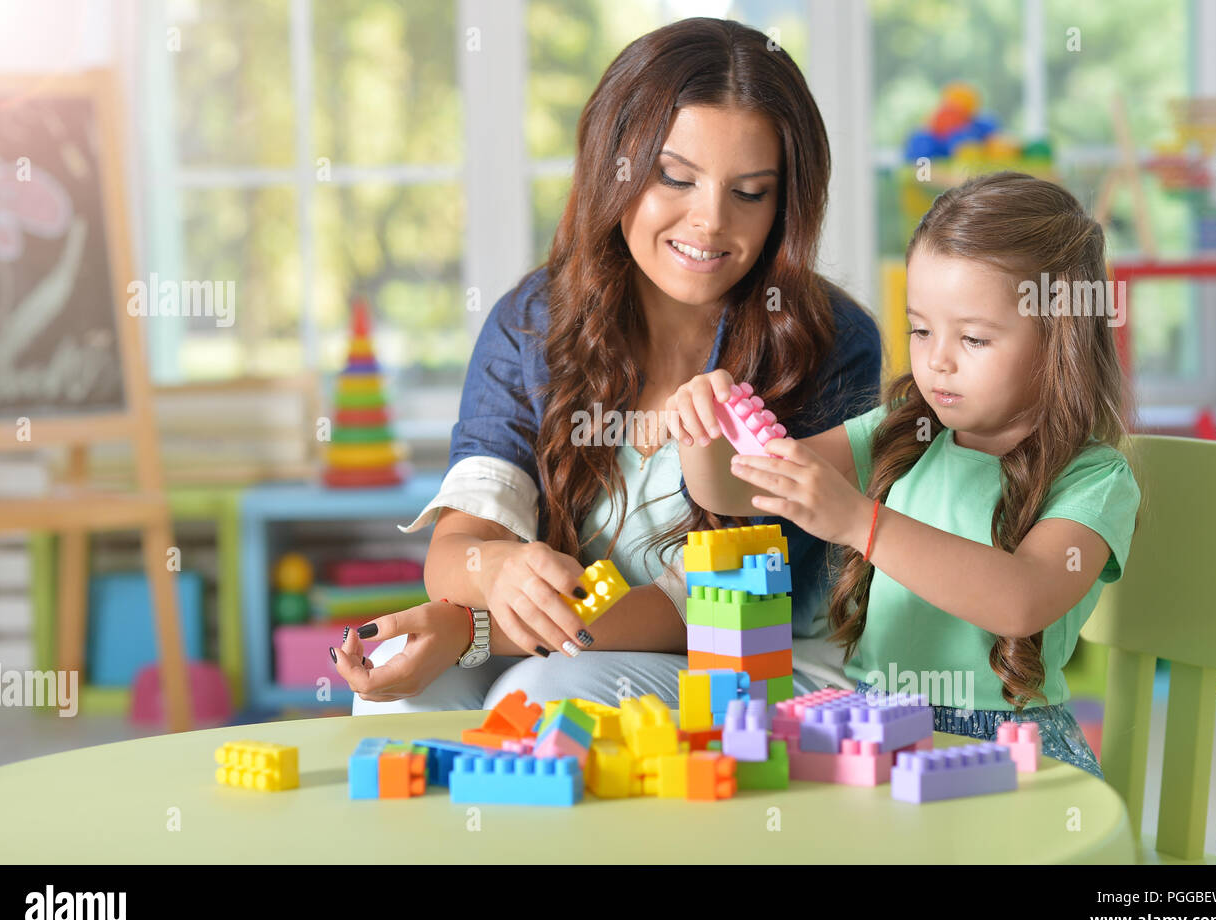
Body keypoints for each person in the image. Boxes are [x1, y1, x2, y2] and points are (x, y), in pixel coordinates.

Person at [332, 17, 881, 714]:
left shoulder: (828, 343)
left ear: (785, 202)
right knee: (394, 689)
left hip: (761, 659)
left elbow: (721, 606)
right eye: (675, 177)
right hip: (564, 641)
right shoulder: (534, 322)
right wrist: (494, 569)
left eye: (750, 192)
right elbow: (459, 547)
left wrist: (471, 628)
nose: (711, 221)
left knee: (542, 694)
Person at [667, 171, 1142, 778]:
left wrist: (858, 522)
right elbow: (738, 490)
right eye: (920, 329)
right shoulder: (903, 430)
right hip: (879, 728)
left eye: (972, 337)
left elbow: (1022, 601)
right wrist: (702, 432)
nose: (936, 358)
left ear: (1060, 341)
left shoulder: (1093, 479)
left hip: (1009, 750)